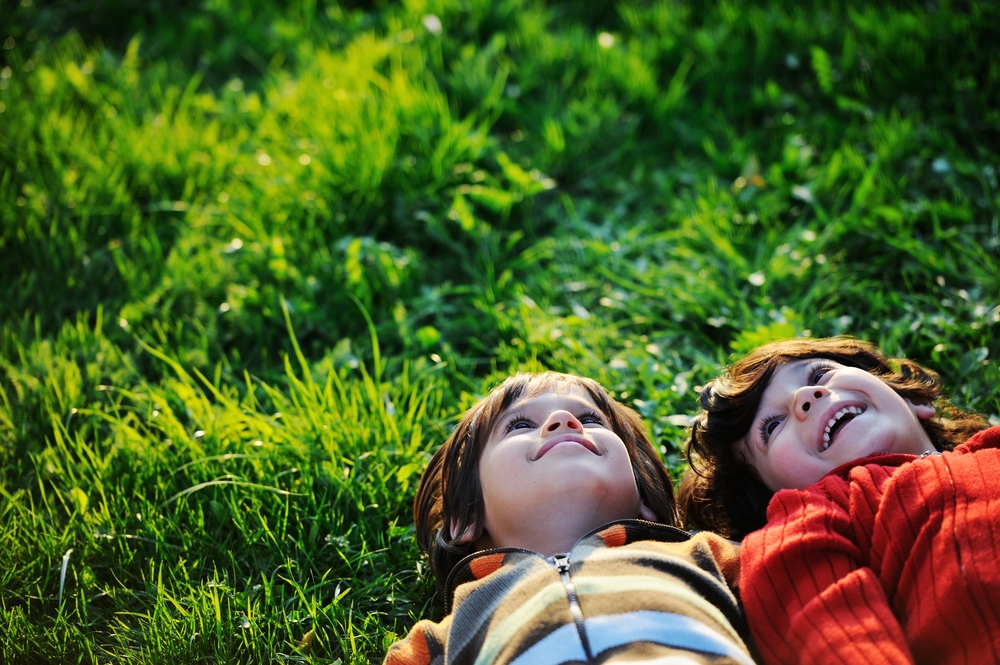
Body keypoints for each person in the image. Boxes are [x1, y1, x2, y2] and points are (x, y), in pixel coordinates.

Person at [383, 371, 756, 665]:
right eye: (520, 425)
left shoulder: (707, 558)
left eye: (590, 419)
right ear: (466, 517)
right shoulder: (444, 636)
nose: (563, 421)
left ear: (645, 500)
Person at [680, 336, 1000, 664]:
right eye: (773, 427)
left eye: (820, 375)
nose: (806, 396)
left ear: (910, 396)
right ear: (771, 497)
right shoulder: (813, 518)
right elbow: (830, 633)